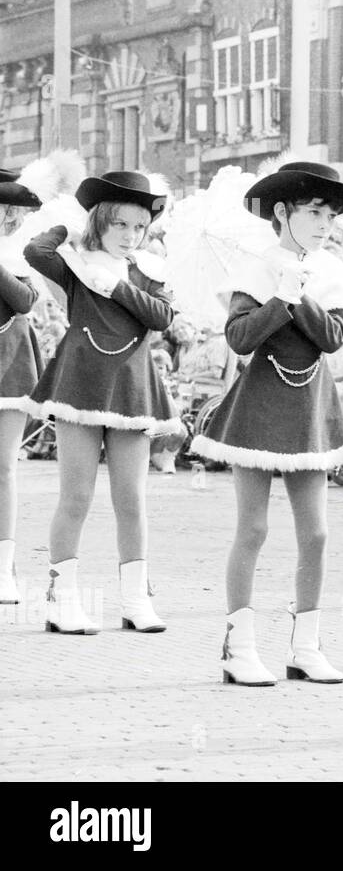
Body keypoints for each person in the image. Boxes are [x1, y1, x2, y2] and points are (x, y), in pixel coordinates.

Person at [191, 162, 343, 686]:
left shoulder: (332, 270)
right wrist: (279, 299)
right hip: (262, 406)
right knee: (254, 527)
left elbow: (335, 338)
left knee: (315, 533)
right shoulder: (257, 267)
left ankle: (306, 646)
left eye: (330, 215)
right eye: (314, 212)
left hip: (313, 407)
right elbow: (240, 338)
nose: (324, 223)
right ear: (282, 212)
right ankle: (239, 647)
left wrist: (304, 298)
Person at [23, 171, 182, 635]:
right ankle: (61, 599)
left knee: (131, 498)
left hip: (132, 385)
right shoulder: (76, 263)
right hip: (81, 385)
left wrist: (116, 287)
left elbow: (162, 318)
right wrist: (68, 233)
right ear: (101, 222)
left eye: (139, 227)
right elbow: (36, 252)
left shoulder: (147, 270)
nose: (131, 237)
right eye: (121, 226)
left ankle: (135, 599)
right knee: (76, 496)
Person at [0, 160, 66, 603]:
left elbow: (25, 301)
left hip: (10, 361)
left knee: (4, 467)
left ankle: (3, 568)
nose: (11, 219)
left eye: (13, 213)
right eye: (6, 212)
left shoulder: (16, 252)